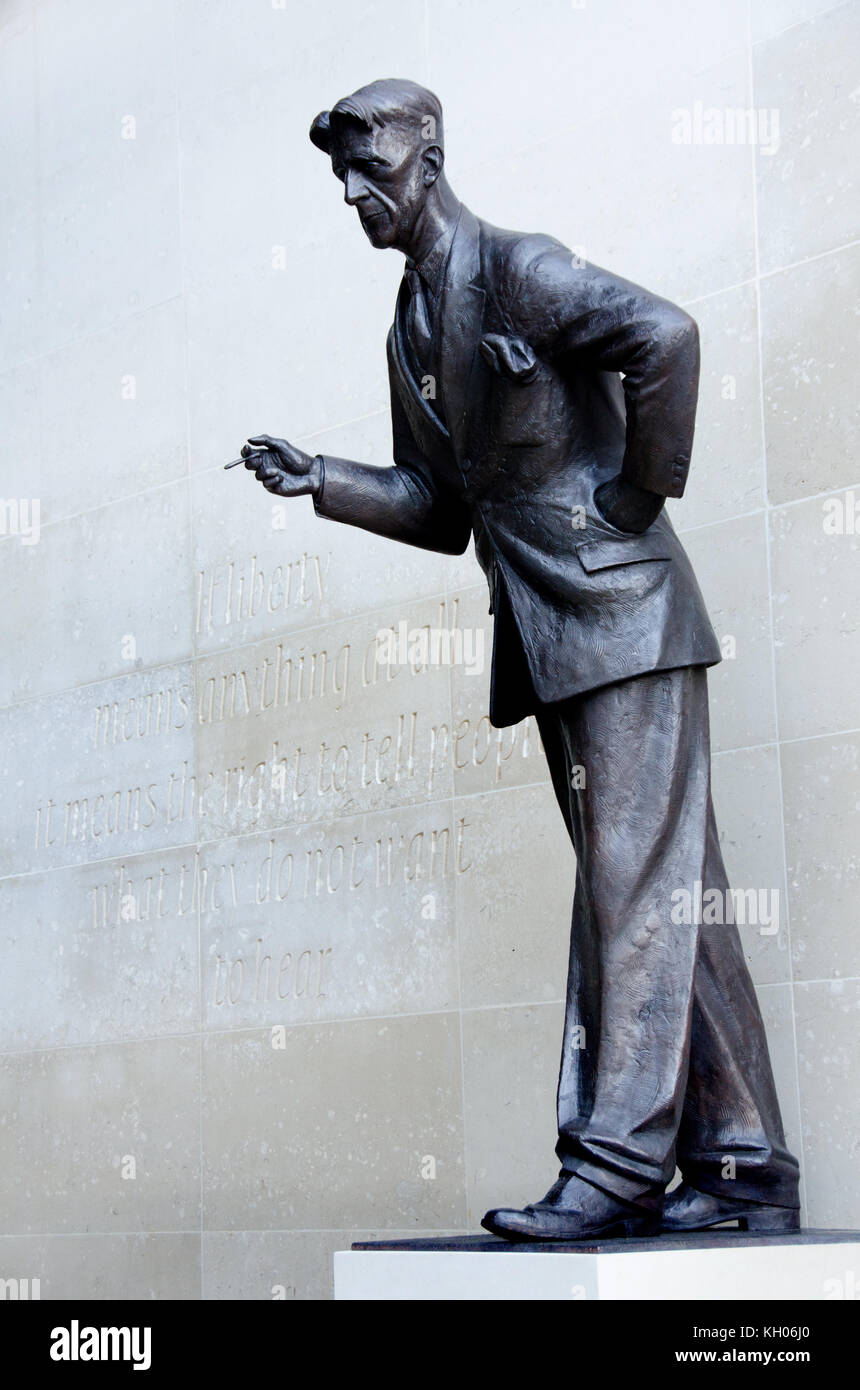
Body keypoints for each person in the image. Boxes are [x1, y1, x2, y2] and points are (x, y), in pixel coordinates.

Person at [239, 78, 800, 1240]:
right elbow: (437, 507)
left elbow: (666, 337)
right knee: (667, 885)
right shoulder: (407, 328)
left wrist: (637, 490)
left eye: (371, 170)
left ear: (428, 159)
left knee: (628, 891)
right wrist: (322, 483)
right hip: (554, 636)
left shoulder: (523, 269)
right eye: (339, 178)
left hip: (626, 619)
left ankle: (613, 1166)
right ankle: (743, 1163)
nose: (354, 195)